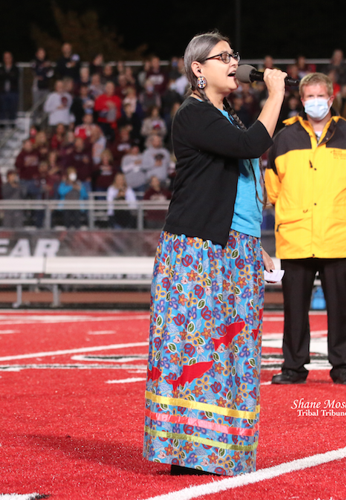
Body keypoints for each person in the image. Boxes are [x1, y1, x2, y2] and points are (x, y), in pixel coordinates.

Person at [144, 31, 286, 477]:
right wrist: (277, 93)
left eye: (233, 55)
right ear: (198, 70)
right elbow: (251, 149)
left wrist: (255, 244)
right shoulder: (193, 115)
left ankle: (220, 450)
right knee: (197, 354)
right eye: (221, 57)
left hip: (233, 249)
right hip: (197, 252)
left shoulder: (229, 118)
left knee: (234, 351)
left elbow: (241, 190)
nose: (232, 62)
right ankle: (189, 455)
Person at [265, 71, 346, 386]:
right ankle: (293, 367)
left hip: (339, 234)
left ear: (331, 98)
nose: (314, 102)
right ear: (301, 99)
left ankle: (343, 367)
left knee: (341, 308)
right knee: (294, 309)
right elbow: (272, 187)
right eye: (308, 96)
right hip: (297, 235)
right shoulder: (283, 137)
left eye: (319, 96)